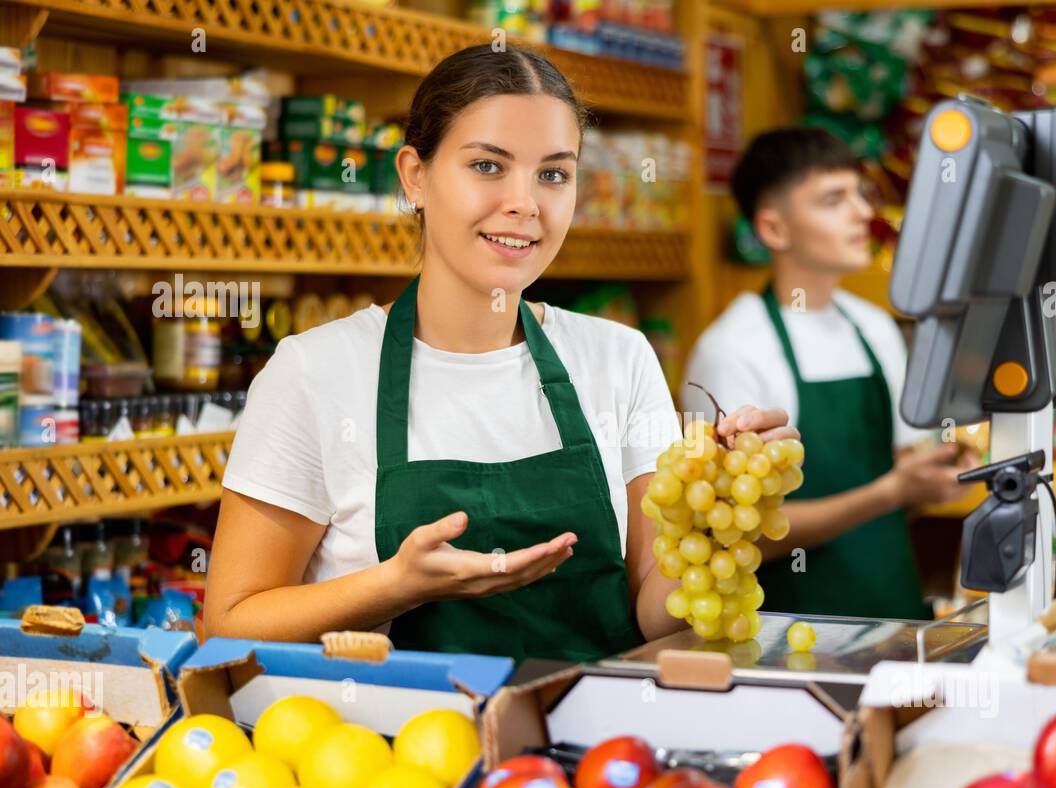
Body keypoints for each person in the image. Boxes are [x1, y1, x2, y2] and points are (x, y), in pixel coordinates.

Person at [204, 45, 797, 660]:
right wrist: (392, 587)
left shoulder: (619, 358)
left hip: (589, 745)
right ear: (414, 176)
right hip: (396, 745)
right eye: (488, 167)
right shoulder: (315, 371)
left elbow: (655, 616)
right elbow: (227, 627)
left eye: (553, 174)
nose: (526, 203)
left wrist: (722, 511)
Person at [681, 127, 976, 620]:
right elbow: (738, 531)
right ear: (774, 229)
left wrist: (938, 474)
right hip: (791, 635)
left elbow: (904, 473)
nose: (863, 212)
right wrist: (891, 491)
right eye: (833, 199)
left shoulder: (875, 327)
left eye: (859, 193)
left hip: (895, 616)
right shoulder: (732, 349)